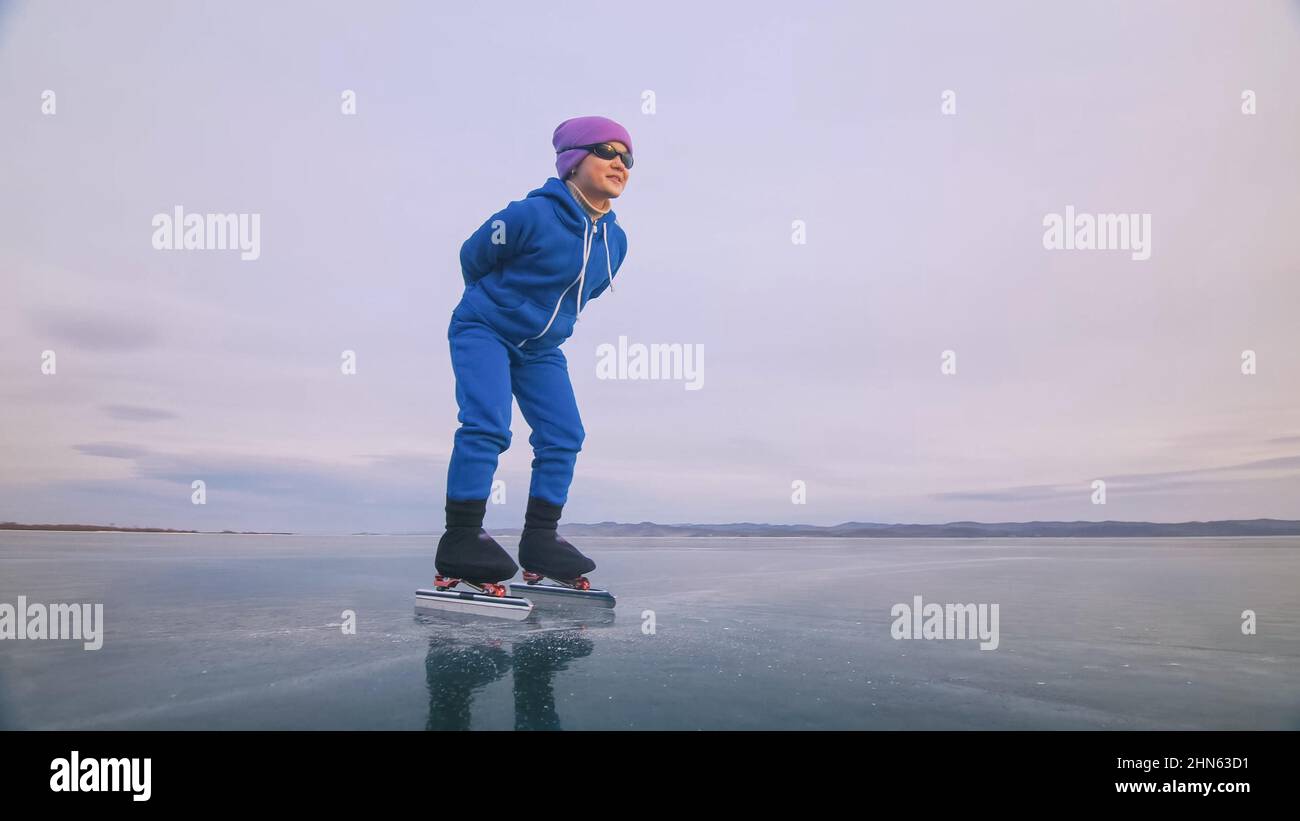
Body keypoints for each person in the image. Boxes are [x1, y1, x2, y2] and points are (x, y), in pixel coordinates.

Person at [436, 115, 633, 588]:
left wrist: (540, 328)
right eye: (607, 151)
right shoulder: (529, 215)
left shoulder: (616, 242)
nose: (621, 163)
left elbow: (581, 295)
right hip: (485, 328)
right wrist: (503, 308)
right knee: (487, 424)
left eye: (628, 157)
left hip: (542, 348)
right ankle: (461, 537)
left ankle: (540, 539)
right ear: (573, 161)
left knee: (564, 433)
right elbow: (472, 255)